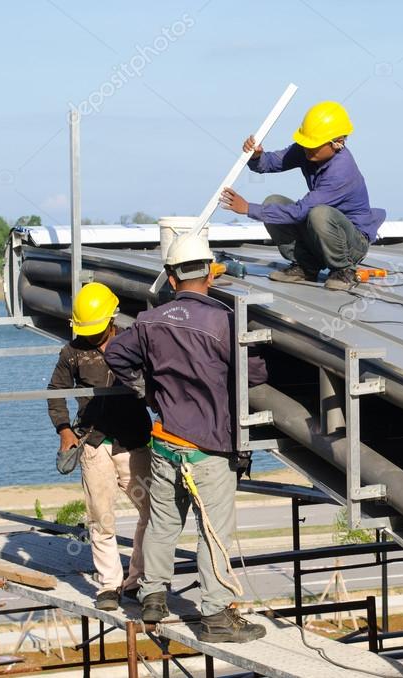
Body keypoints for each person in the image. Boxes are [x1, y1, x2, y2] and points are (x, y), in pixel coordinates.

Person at [104, 233, 269, 643]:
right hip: (209, 448)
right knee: (212, 530)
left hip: (164, 441)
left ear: (171, 277)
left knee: (163, 522)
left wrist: (148, 390)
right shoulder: (224, 322)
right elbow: (257, 374)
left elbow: (115, 356)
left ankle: (153, 597)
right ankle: (214, 616)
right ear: (210, 273)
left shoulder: (148, 321)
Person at [46, 282, 153, 610]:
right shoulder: (72, 352)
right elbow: (54, 391)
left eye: (96, 330)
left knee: (152, 511)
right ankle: (109, 585)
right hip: (94, 444)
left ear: (111, 319)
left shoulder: (134, 342)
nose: (91, 337)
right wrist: (64, 430)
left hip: (133, 442)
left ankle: (138, 580)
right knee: (100, 517)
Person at [219, 100, 386, 291]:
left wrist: (248, 208)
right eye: (305, 142)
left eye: (313, 144)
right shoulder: (308, 150)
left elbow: (300, 212)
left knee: (319, 213)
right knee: (273, 203)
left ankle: (344, 270)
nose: (307, 148)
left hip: (352, 244)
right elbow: (271, 162)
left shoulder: (341, 172)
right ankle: (306, 266)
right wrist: (256, 156)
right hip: (321, 235)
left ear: (338, 143)